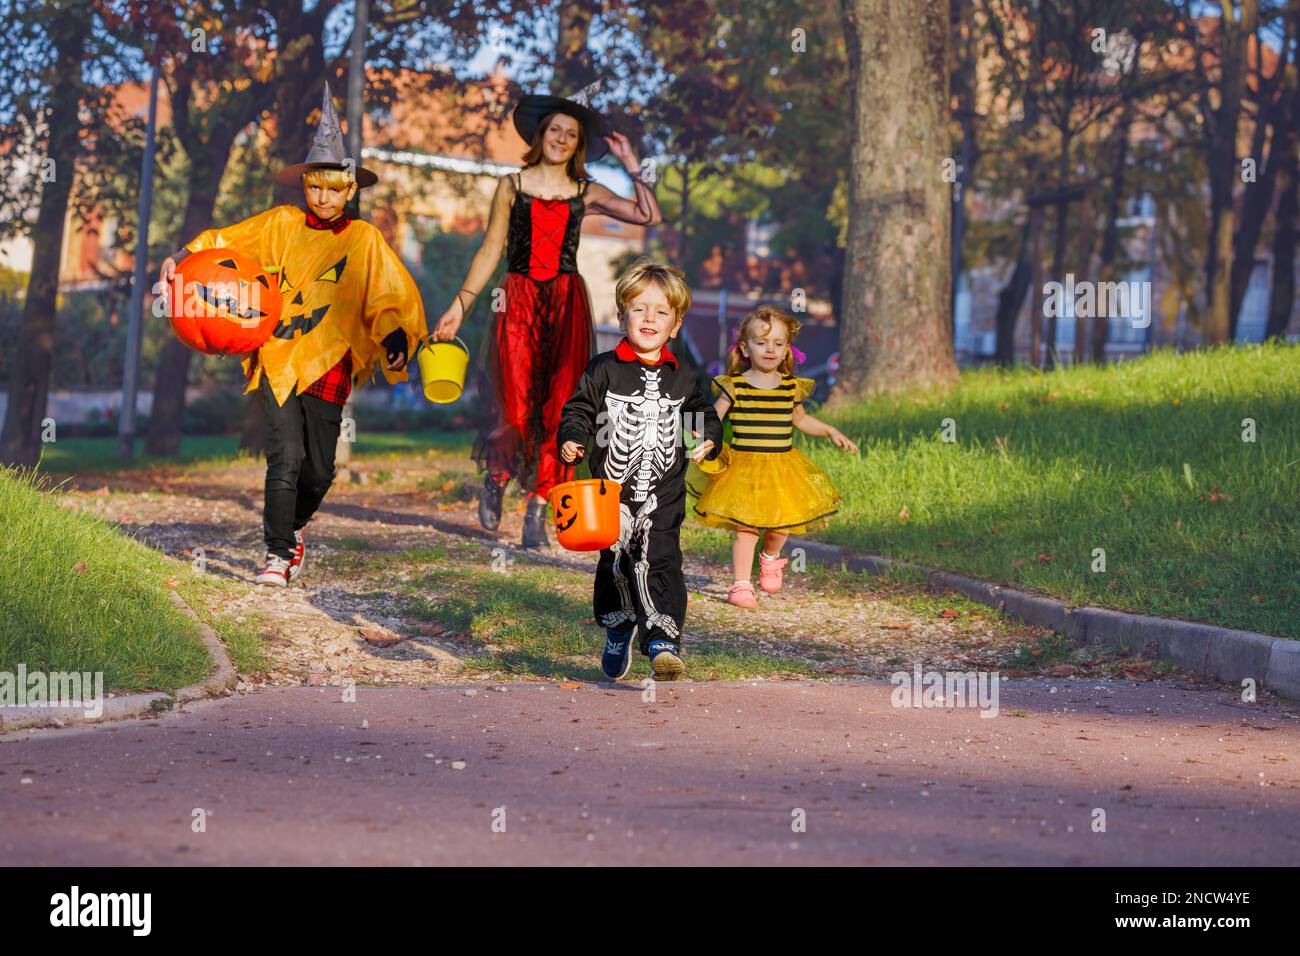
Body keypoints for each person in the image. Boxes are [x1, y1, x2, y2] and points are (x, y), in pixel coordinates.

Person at [158, 85, 427, 587]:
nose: (324, 198)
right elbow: (226, 243)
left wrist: (392, 335)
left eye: (334, 189)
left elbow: (386, 294)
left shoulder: (364, 240)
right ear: (305, 186)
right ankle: (277, 554)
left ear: (350, 191)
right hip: (278, 353)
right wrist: (182, 257)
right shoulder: (280, 224)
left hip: (330, 362)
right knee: (285, 454)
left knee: (319, 471)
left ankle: (295, 527)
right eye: (315, 187)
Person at [431, 89, 662, 549]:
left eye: (571, 133)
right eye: (555, 129)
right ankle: (497, 476)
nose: (560, 138)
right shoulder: (511, 185)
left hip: (566, 304)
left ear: (579, 144)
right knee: (513, 405)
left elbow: (648, 214)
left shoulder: (586, 191)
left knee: (560, 408)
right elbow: (491, 249)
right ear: (541, 134)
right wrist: (460, 305)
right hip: (515, 300)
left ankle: (538, 505)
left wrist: (631, 162)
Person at [557, 260, 723, 681]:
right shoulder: (603, 369)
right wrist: (572, 437)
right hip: (609, 493)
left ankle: (663, 641)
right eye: (639, 308)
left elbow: (702, 413)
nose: (649, 318)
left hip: (663, 492)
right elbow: (578, 408)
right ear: (621, 315)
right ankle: (618, 627)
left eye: (661, 311)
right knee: (615, 562)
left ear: (676, 324)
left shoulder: (684, 376)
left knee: (660, 558)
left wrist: (707, 436)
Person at [687, 306, 860, 608]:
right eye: (762, 342)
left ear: (786, 349)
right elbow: (715, 418)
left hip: (782, 466)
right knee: (746, 527)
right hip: (743, 467)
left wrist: (830, 430)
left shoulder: (790, 387)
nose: (770, 349)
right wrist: (702, 435)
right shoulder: (735, 386)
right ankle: (741, 584)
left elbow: (801, 420)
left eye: (778, 344)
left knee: (781, 524)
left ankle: (770, 558)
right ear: (745, 347)